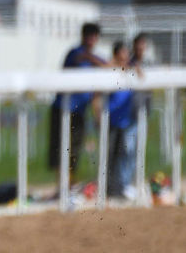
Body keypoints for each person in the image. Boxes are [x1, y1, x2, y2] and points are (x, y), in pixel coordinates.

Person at [48, 22, 108, 181]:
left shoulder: (95, 60)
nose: (91, 39)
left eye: (94, 36)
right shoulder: (75, 54)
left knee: (74, 149)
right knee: (61, 148)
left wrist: (97, 114)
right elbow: (81, 59)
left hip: (79, 110)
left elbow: (99, 82)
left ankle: (69, 183)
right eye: (89, 36)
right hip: (63, 109)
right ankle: (62, 185)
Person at [105, 41, 138, 201]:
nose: (125, 57)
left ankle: (121, 186)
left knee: (125, 154)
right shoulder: (111, 69)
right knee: (111, 154)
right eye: (122, 54)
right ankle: (110, 187)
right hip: (112, 119)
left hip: (126, 120)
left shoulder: (132, 69)